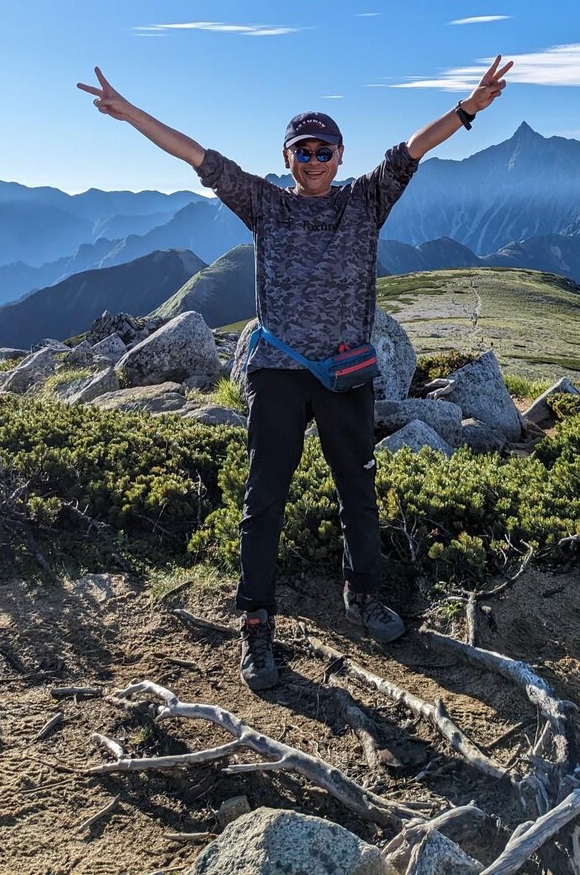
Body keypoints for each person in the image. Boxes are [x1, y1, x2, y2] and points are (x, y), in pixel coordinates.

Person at [77, 57, 513, 692]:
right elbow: (196, 156)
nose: (313, 159)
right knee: (265, 498)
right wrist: (130, 112)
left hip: (347, 373)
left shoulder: (367, 200)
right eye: (302, 149)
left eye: (324, 149)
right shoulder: (264, 204)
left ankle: (363, 596)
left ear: (340, 155)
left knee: (358, 492)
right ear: (287, 157)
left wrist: (469, 108)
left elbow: (413, 148)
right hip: (278, 372)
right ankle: (256, 623)